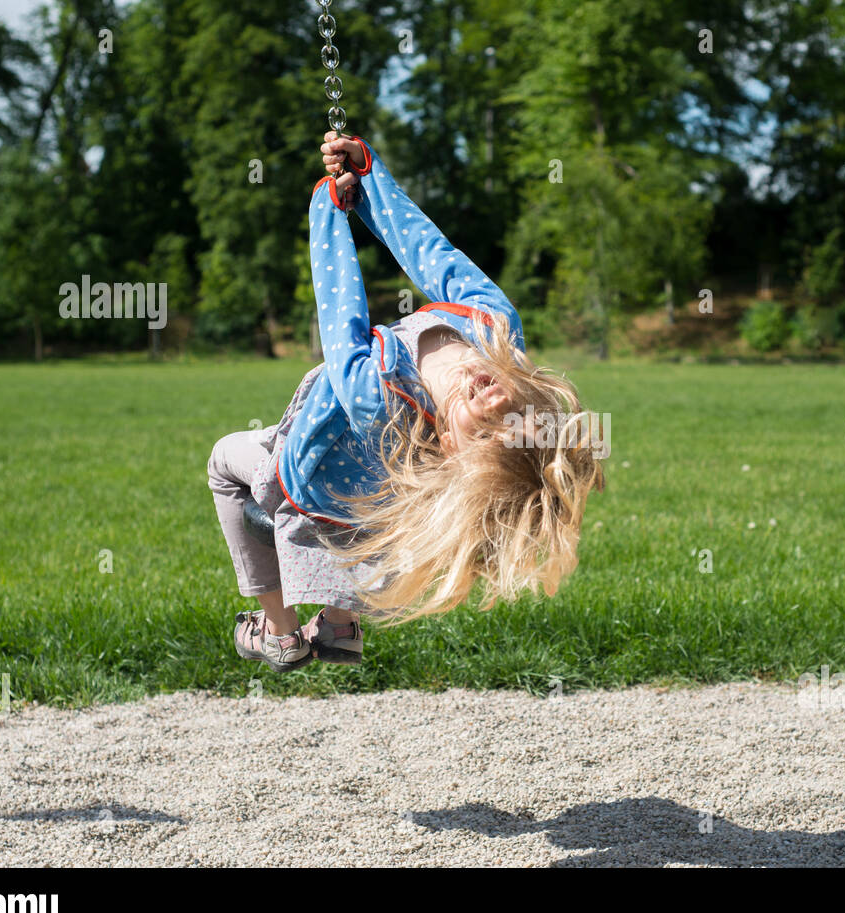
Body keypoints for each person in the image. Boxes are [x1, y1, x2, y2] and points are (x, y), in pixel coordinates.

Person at [206, 132, 604, 672]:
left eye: (483, 435)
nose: (496, 408)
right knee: (375, 527)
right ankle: (340, 627)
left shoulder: (378, 395)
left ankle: (278, 632)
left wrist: (328, 208)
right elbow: (429, 251)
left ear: (445, 445)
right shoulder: (496, 328)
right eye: (519, 419)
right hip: (373, 502)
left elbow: (339, 305)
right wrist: (369, 176)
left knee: (224, 462)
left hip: (310, 481)